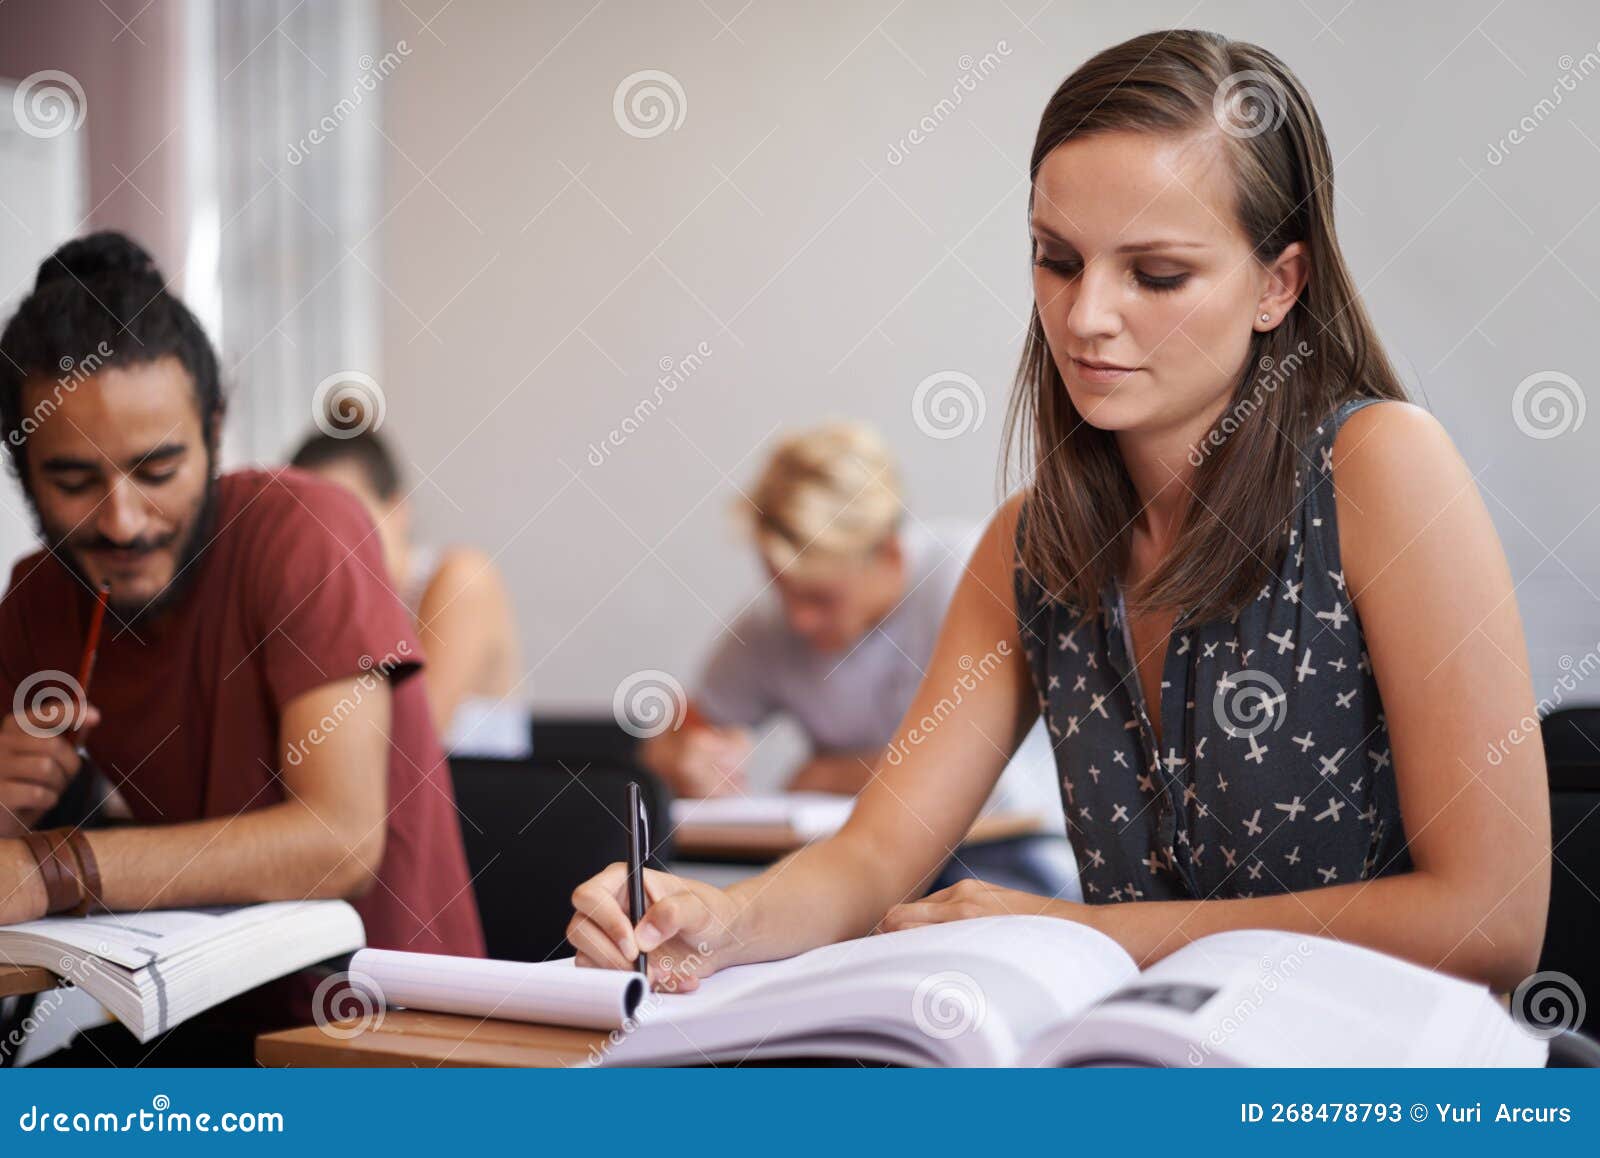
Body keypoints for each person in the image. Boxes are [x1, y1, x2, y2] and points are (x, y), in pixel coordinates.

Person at [570, 29, 1550, 996]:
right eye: (1056, 259)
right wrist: (717, 919)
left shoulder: (1380, 467)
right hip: (1144, 1068)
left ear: (1277, 285)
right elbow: (873, 857)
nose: (1085, 317)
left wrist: (1084, 933)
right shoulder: (1028, 547)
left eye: (1156, 275)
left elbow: (1491, 917)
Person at [0, 232, 484, 1064]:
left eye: (158, 471)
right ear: (22, 468)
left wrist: (50, 865)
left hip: (391, 1037)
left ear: (216, 430)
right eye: (74, 482)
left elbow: (337, 840)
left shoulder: (306, 529)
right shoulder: (40, 597)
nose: (122, 522)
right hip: (195, 1026)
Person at [640, 421, 1078, 897]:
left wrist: (825, 775)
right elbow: (671, 744)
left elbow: (984, 781)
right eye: (782, 589)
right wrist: (688, 763)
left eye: (822, 598)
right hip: (868, 867)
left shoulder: (968, 576)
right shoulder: (771, 623)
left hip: (1014, 860)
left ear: (890, 553)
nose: (800, 619)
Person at [289, 421, 528, 758]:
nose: (333, 540)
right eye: (313, 524)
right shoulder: (338, 601)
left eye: (350, 515)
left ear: (398, 509)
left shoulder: (462, 578)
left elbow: (413, 744)